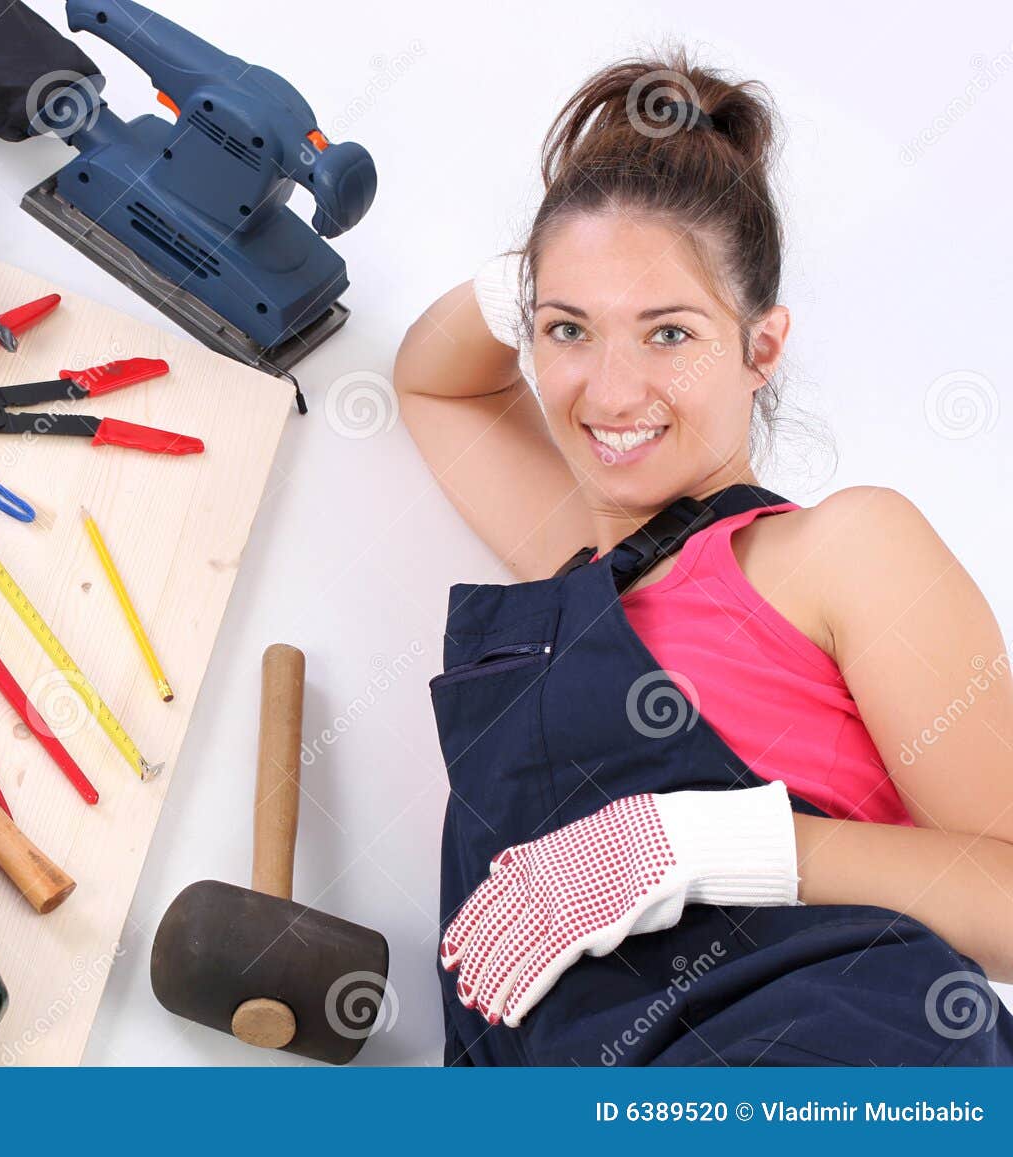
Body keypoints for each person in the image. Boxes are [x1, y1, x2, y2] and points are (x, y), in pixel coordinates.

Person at [394, 54, 1013, 1066]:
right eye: (569, 332)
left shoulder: (834, 550)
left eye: (669, 331)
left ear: (760, 350)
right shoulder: (568, 579)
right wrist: (563, 264)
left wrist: (706, 845)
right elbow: (429, 380)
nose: (612, 387)